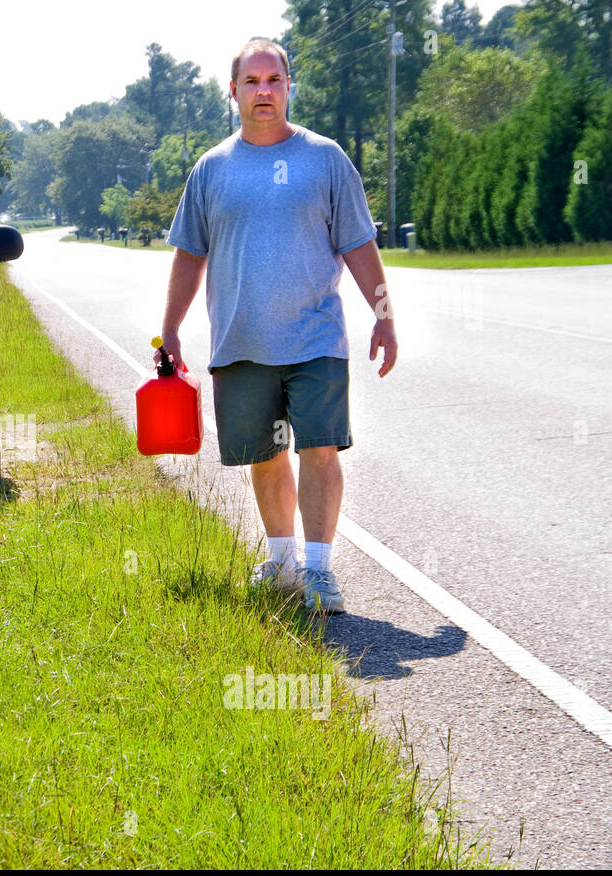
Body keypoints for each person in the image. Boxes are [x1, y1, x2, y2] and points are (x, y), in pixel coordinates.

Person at [158, 38, 398, 614]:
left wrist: (384, 315)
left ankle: (319, 571)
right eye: (252, 81)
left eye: (274, 80)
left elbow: (359, 244)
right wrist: (169, 329)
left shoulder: (326, 159)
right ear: (233, 91)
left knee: (319, 448)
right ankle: (282, 562)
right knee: (264, 456)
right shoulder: (211, 169)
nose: (263, 91)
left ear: (289, 86)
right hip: (240, 342)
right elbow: (190, 255)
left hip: (315, 338)